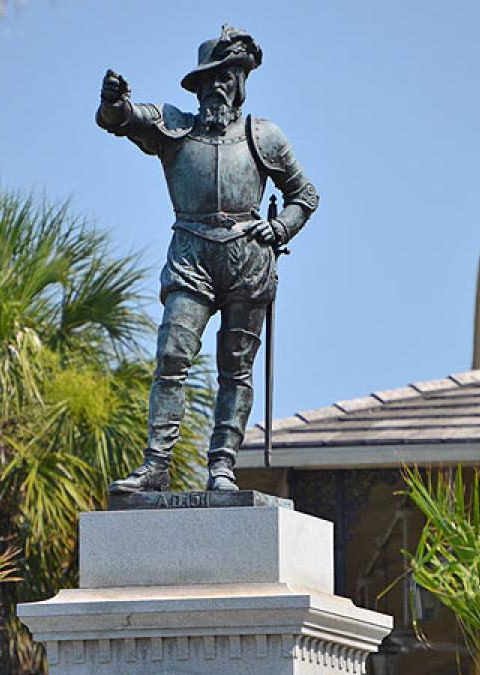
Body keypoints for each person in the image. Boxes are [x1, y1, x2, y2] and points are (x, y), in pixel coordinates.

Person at [97, 25, 319, 493]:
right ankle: (156, 464)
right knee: (171, 357)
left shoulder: (265, 136)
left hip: (248, 261)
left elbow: (305, 195)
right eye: (211, 77)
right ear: (196, 85)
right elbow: (121, 120)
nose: (219, 84)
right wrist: (114, 101)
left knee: (236, 370)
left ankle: (222, 465)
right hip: (191, 257)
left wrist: (280, 228)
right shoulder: (174, 128)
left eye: (228, 76)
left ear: (241, 82)